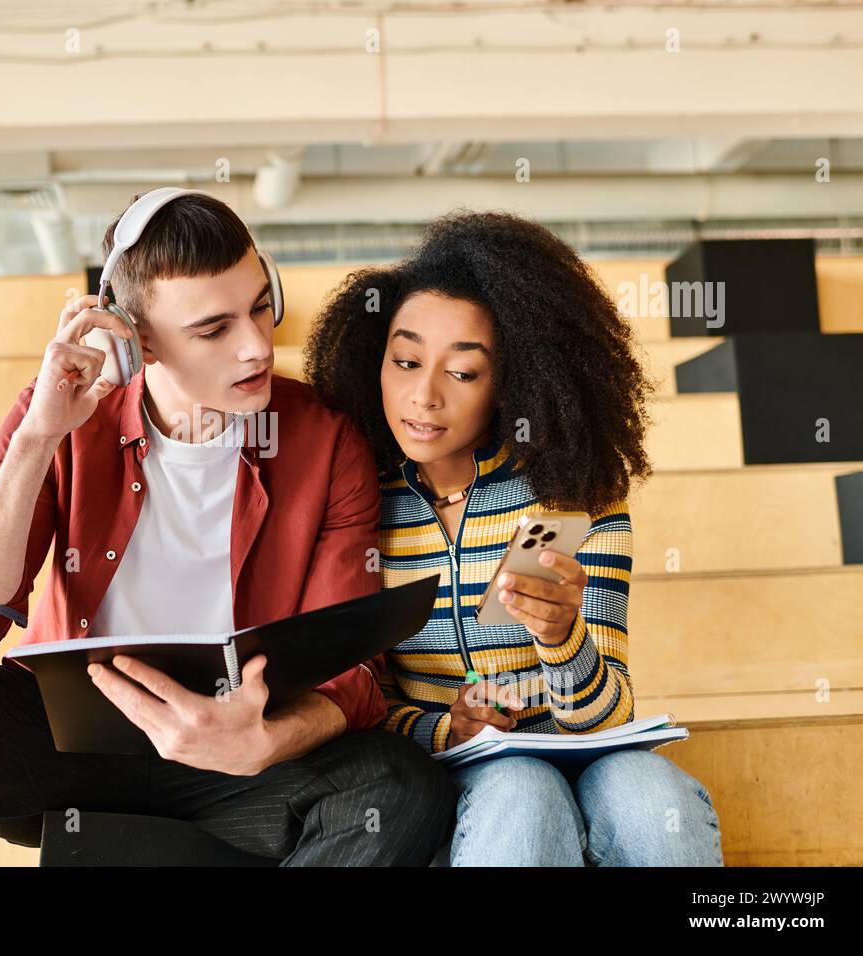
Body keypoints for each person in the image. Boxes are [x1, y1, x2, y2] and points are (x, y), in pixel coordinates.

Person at [0, 188, 455, 866]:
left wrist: (263, 741)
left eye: (261, 305)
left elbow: (349, 669)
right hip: (71, 749)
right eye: (213, 329)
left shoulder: (324, 437)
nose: (256, 347)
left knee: (399, 783)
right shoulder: (58, 419)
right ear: (137, 337)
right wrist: (38, 440)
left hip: (239, 757)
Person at [303, 209, 724, 866]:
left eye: (463, 373)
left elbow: (608, 714)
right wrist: (451, 726)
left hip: (590, 746)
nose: (424, 396)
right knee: (525, 795)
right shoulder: (359, 501)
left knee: (649, 800)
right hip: (470, 768)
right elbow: (364, 701)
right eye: (406, 361)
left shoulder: (574, 489)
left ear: (512, 382)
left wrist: (561, 640)